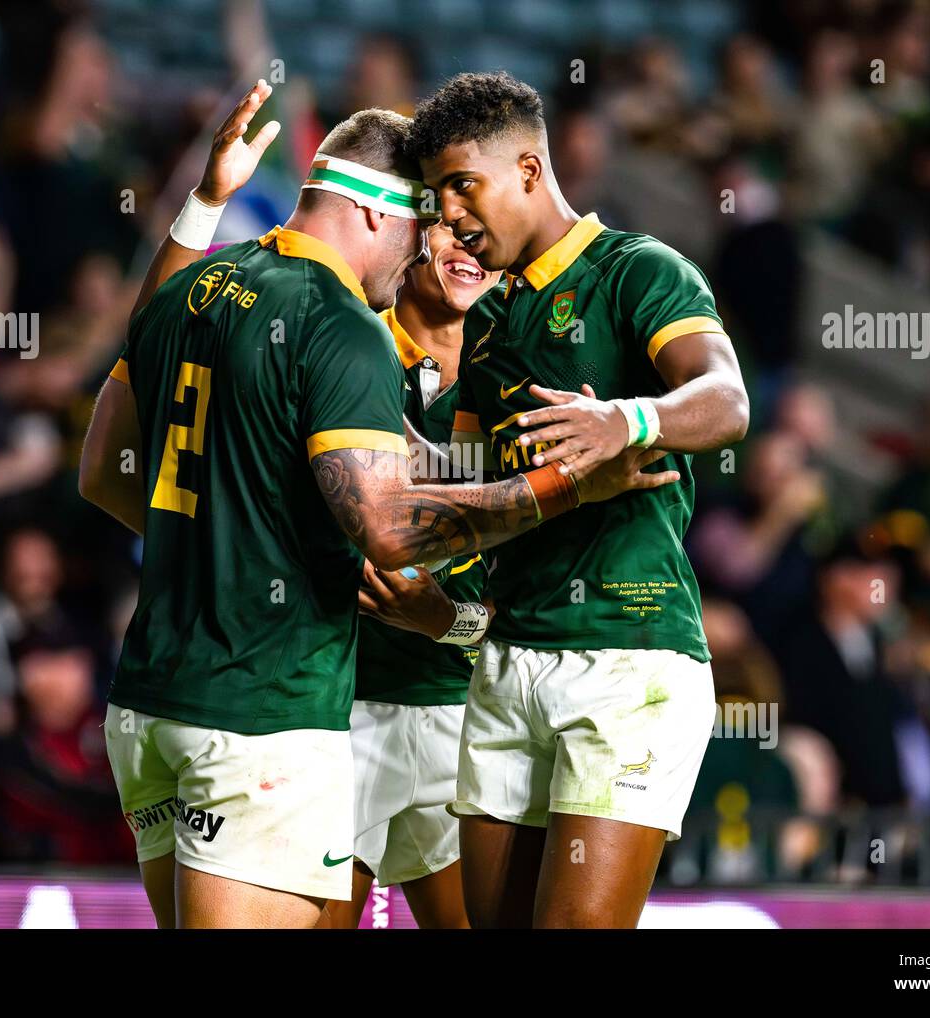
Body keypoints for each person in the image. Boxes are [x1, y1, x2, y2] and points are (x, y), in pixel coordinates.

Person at [79, 82, 675, 930]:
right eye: (428, 219)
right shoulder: (346, 332)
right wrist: (567, 482)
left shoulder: (201, 285)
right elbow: (391, 529)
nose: (448, 238)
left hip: (161, 706)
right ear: (376, 213)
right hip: (271, 716)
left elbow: (106, 467)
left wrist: (205, 204)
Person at [409, 71, 750, 928]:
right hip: (507, 657)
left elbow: (726, 400)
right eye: (436, 195)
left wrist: (627, 420)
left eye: (462, 184)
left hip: (626, 660)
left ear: (528, 169)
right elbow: (465, 478)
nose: (449, 212)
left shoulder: (640, 271)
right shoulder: (484, 321)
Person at [318, 222, 500, 930]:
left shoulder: (520, 376)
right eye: (449, 228)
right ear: (410, 233)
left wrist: (445, 621)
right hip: (340, 709)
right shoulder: (340, 344)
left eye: (483, 235)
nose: (468, 248)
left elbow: (532, 603)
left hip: (466, 716)